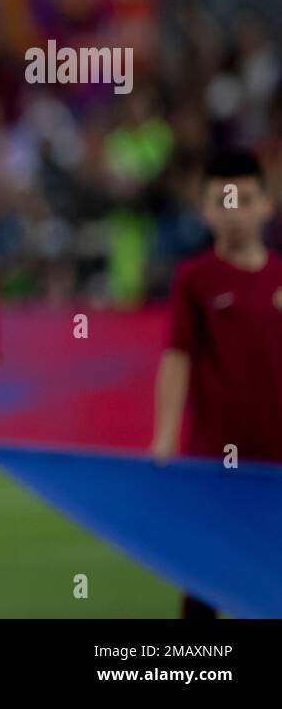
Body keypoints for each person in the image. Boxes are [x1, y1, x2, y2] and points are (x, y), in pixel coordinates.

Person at [150, 148, 282, 619]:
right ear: (204, 209)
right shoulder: (194, 278)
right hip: (212, 461)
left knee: (272, 578)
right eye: (222, 201)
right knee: (203, 584)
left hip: (276, 459)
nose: (234, 212)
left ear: (267, 205)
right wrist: (164, 438)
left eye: (245, 199)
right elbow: (177, 357)